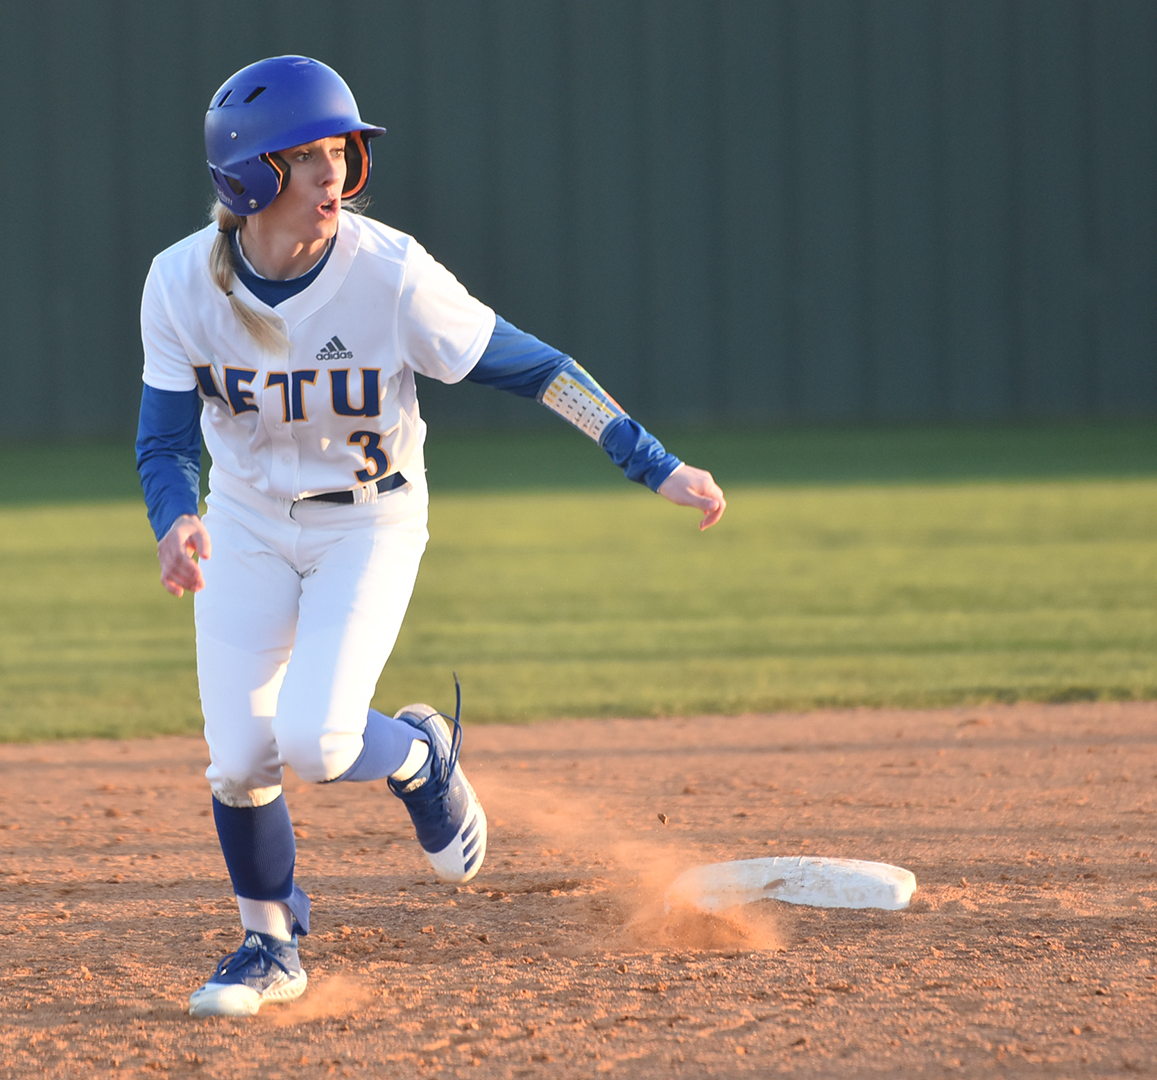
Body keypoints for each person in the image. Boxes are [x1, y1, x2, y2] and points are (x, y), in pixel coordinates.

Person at [135, 56, 725, 1019]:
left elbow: (539, 367)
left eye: (341, 152)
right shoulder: (178, 284)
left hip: (367, 523)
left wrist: (652, 462)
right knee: (240, 759)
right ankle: (270, 947)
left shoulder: (391, 275)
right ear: (247, 176)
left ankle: (419, 757)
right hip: (243, 526)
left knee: (317, 741)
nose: (333, 172)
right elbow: (163, 443)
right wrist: (178, 521)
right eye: (306, 157)